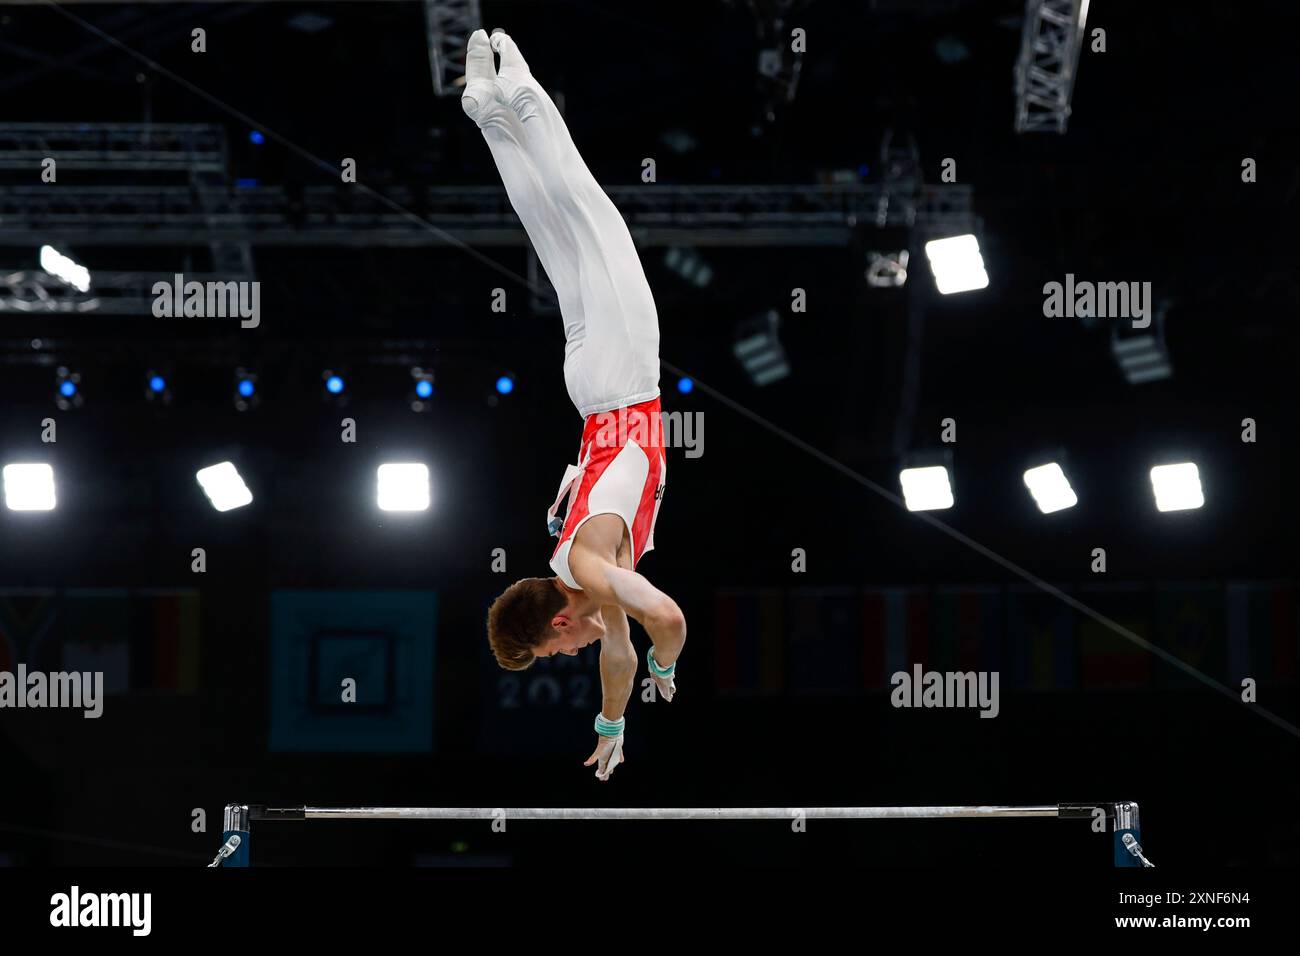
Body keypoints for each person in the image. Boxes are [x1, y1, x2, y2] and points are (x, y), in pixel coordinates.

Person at [466, 29, 686, 781]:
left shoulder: (589, 568)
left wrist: (668, 666)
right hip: (591, 388)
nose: (576, 652)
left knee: (587, 214)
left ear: (559, 619)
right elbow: (620, 646)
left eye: (560, 648)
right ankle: (490, 113)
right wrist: (612, 720)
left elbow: (667, 621)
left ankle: (523, 95)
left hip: (624, 378)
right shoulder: (582, 572)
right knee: (556, 235)